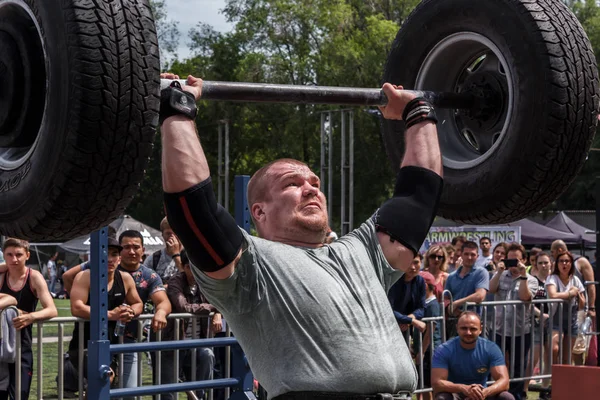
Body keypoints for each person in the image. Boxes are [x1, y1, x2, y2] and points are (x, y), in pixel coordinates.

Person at [160, 73, 444, 399]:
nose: (310, 188)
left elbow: (417, 196)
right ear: (260, 212)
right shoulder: (251, 265)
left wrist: (418, 112)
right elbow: (194, 209)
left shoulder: (362, 251)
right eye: (292, 184)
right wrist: (178, 108)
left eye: (315, 183)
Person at [67, 237, 143, 389]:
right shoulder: (85, 276)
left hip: (112, 345)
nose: (109, 259)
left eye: (114, 254)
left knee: (106, 387)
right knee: (103, 380)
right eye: (104, 253)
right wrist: (109, 315)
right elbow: (76, 307)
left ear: (119, 258)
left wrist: (130, 311)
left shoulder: (125, 278)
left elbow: (138, 303)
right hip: (84, 345)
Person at [0, 238, 58, 400]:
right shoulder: (2, 274)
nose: (14, 259)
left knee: (21, 393)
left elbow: (52, 310)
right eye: (9, 255)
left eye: (19, 254)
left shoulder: (34, 277)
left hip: (22, 344)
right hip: (1, 342)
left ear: (27, 255)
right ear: (4, 256)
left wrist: (31, 317)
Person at [160, 249, 217, 400]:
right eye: (195, 267)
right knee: (169, 390)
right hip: (173, 342)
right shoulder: (175, 282)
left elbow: (221, 300)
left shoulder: (206, 282)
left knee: (208, 355)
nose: (201, 271)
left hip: (198, 341)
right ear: (185, 267)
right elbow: (183, 307)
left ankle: (199, 397)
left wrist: (217, 312)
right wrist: (212, 308)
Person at [488, 243, 538, 400]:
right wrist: (498, 271)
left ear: (523, 260)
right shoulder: (500, 274)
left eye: (516, 261)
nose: (512, 265)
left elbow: (525, 297)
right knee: (496, 365)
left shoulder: (531, 280)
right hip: (499, 329)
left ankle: (515, 395)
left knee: (518, 367)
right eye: (509, 260)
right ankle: (497, 394)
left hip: (521, 331)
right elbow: (491, 289)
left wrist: (522, 275)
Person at [431, 311, 513, 400]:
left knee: (506, 397)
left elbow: (504, 381)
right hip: (455, 393)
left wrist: (485, 392)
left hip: (482, 393)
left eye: (473, 329)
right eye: (464, 328)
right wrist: (463, 388)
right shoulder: (444, 350)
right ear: (457, 328)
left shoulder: (491, 348)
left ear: (480, 329)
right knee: (442, 398)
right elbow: (437, 383)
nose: (468, 332)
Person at [550, 239, 596, 366]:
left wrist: (591, 307)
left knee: (578, 348)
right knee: (559, 349)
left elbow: (591, 286)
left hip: (579, 312)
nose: (551, 254)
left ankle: (577, 376)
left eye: (552, 251)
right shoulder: (556, 265)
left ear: (559, 250)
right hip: (559, 314)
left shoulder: (581, 262)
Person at [545, 251, 585, 366]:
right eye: (561, 261)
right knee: (554, 349)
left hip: (572, 320)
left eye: (567, 261)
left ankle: (564, 380)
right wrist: (570, 293)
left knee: (567, 356)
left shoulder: (575, 280)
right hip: (556, 319)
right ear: (556, 264)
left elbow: (582, 303)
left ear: (571, 264)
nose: (564, 264)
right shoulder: (552, 278)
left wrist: (577, 294)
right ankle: (553, 374)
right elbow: (553, 294)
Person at [444, 241, 489, 338]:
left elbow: (480, 296)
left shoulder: (481, 272)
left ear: (477, 256)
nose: (469, 257)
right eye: (466, 254)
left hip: (475, 325)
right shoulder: (451, 276)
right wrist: (450, 308)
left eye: (472, 254)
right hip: (455, 324)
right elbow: (446, 298)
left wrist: (457, 303)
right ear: (461, 255)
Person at [416, 271, 442, 400]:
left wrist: (422, 350)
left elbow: (431, 329)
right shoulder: (425, 303)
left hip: (430, 349)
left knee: (429, 383)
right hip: (425, 349)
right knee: (424, 383)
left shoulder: (432, 304)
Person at [388, 253, 427, 338]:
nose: (413, 267)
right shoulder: (393, 280)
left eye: (416, 262)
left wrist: (410, 318)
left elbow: (422, 308)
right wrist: (411, 321)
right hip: (389, 327)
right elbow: (388, 309)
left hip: (404, 327)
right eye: (409, 263)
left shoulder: (420, 281)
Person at [143, 217, 184, 285]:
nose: (172, 237)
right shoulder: (153, 259)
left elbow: (191, 281)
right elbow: (145, 284)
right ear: (162, 235)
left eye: (176, 233)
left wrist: (176, 255)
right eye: (168, 233)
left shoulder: (191, 257)